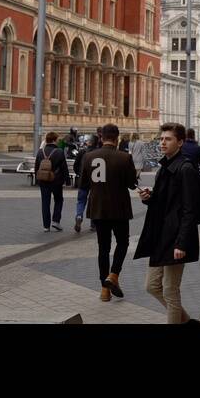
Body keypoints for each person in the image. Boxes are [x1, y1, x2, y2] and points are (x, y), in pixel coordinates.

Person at [135, 122, 200, 324]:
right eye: (161, 139)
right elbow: (166, 203)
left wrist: (182, 243)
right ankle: (188, 322)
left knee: (171, 290)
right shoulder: (163, 168)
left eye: (168, 139)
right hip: (160, 236)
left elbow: (189, 210)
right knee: (152, 286)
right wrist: (150, 198)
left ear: (180, 142)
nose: (163, 142)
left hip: (175, 238)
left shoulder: (185, 169)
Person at [81, 123, 138, 301]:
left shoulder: (89, 156)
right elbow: (131, 184)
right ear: (117, 138)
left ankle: (104, 290)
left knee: (103, 248)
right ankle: (113, 275)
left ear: (101, 137)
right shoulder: (124, 158)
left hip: (98, 208)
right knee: (122, 243)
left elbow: (83, 184)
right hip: (119, 208)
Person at [34, 132, 68, 232]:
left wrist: (38, 179)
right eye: (57, 139)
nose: (58, 141)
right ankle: (56, 221)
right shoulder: (59, 152)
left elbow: (37, 167)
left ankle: (46, 226)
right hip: (56, 181)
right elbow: (64, 168)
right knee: (59, 200)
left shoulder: (40, 151)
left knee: (45, 202)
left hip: (43, 180)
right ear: (53, 140)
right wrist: (67, 180)